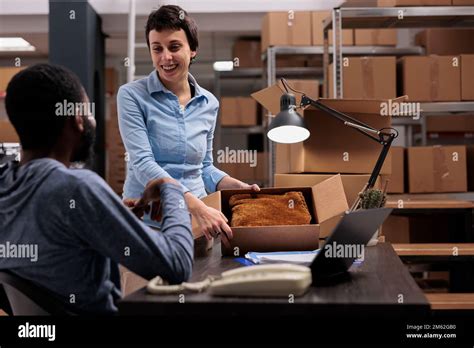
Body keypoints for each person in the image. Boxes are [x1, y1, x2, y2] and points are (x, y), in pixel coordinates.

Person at [0, 64, 194, 315]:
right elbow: (176, 264)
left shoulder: (6, 185)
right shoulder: (76, 188)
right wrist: (172, 189)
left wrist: (108, 217)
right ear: (77, 120)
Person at [117, 5, 259, 246]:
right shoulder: (131, 96)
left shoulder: (208, 103)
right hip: (147, 223)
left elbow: (204, 167)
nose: (165, 57)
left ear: (192, 50)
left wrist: (235, 186)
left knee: (201, 281)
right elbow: (142, 164)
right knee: (149, 284)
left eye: (174, 47)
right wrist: (197, 206)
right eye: (157, 49)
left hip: (196, 224)